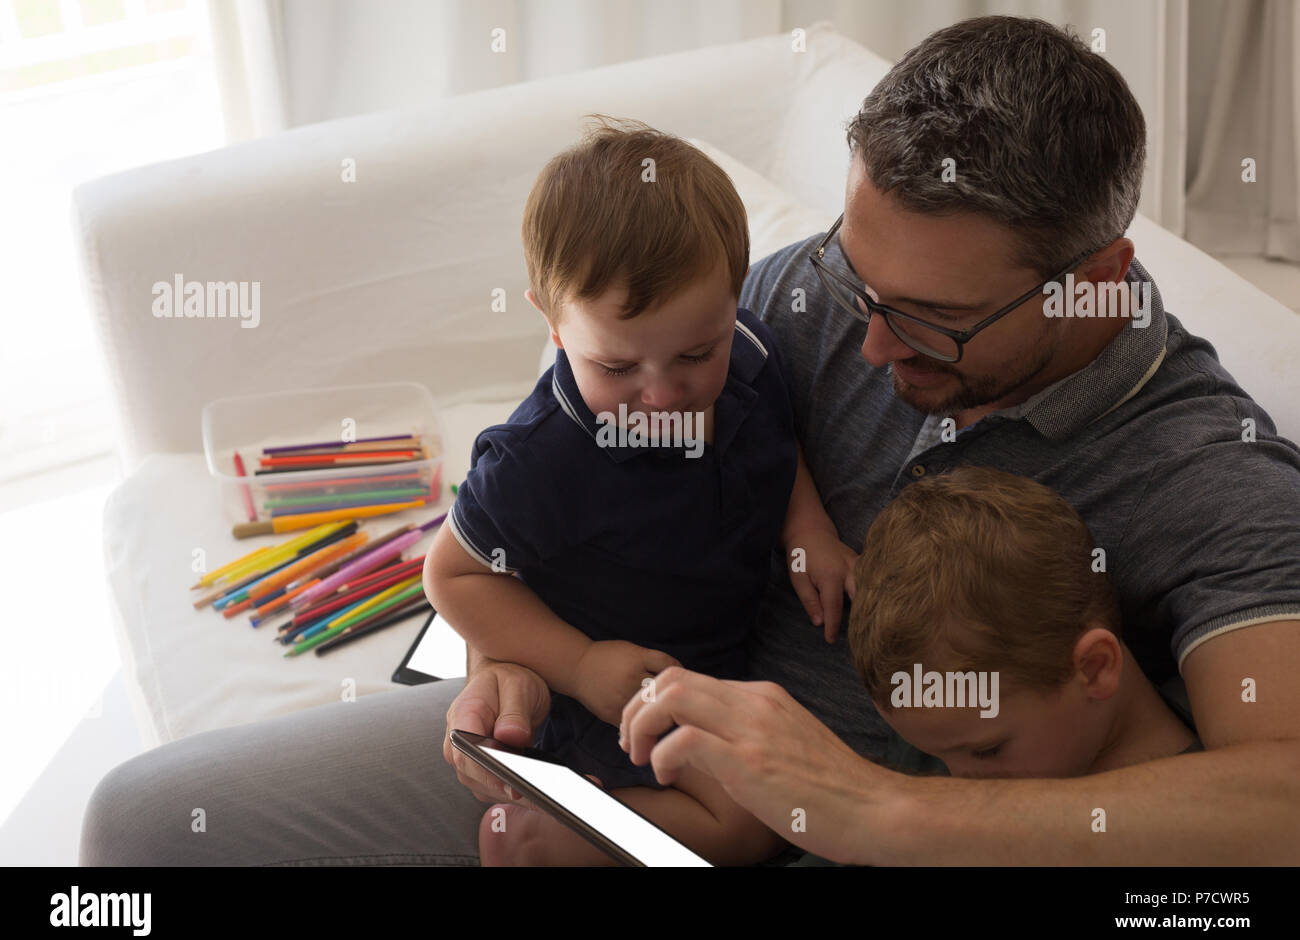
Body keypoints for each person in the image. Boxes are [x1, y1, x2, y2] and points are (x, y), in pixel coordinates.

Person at [80, 15, 1300, 867]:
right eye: (851, 272)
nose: (864, 348)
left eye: (931, 322)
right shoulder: (814, 300)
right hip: (600, 729)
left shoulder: (1203, 467)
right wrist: (496, 657)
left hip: (827, 833)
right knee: (144, 827)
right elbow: (571, 443)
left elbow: (1283, 797)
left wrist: (869, 808)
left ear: (1095, 280)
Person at [423, 118, 852, 865]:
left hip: (714, 667)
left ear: (733, 303)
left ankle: (580, 821)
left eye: (695, 352)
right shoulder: (538, 461)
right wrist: (582, 664)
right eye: (617, 369)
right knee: (738, 825)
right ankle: (561, 827)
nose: (662, 398)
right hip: (595, 681)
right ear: (552, 324)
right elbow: (453, 573)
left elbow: (778, 445)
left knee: (771, 813)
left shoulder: (749, 355)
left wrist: (807, 527)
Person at [847, 465, 1201, 781]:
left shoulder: (1209, 836)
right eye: (932, 755)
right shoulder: (949, 727)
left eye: (988, 751)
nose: (956, 787)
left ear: (1094, 667)